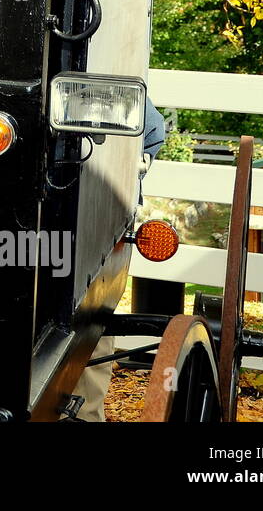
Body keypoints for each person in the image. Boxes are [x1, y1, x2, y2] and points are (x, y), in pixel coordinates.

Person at [70, 96, 168, 420]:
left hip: (92, 221)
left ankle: (84, 414)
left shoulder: (118, 91)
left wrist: (136, 165)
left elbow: (151, 127)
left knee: (94, 317)